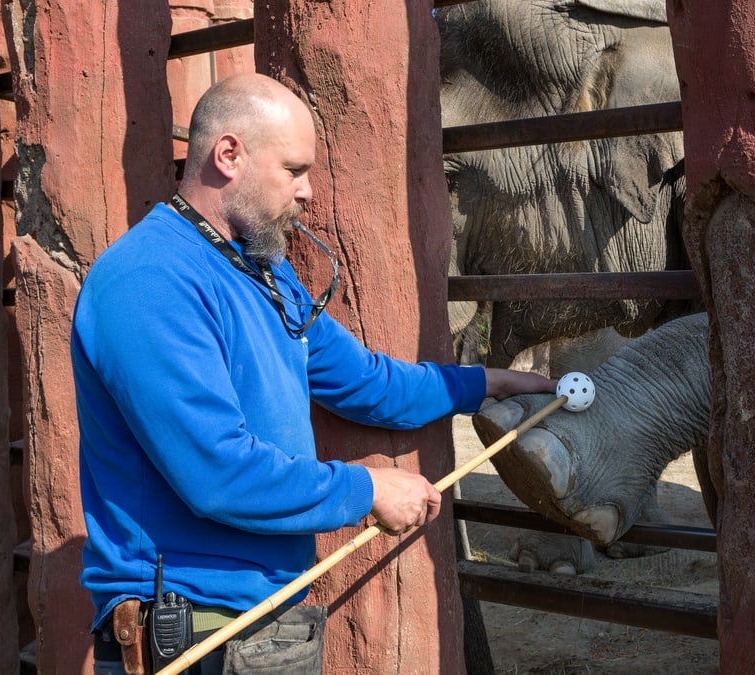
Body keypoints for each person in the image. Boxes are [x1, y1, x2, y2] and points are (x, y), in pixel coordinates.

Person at [72, 72, 556, 674]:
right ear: (229, 155)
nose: (309, 193)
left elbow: (368, 384)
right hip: (193, 630)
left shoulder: (264, 272)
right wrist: (367, 491)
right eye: (294, 170)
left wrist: (484, 383)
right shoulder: (149, 280)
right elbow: (218, 474)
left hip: (266, 621)